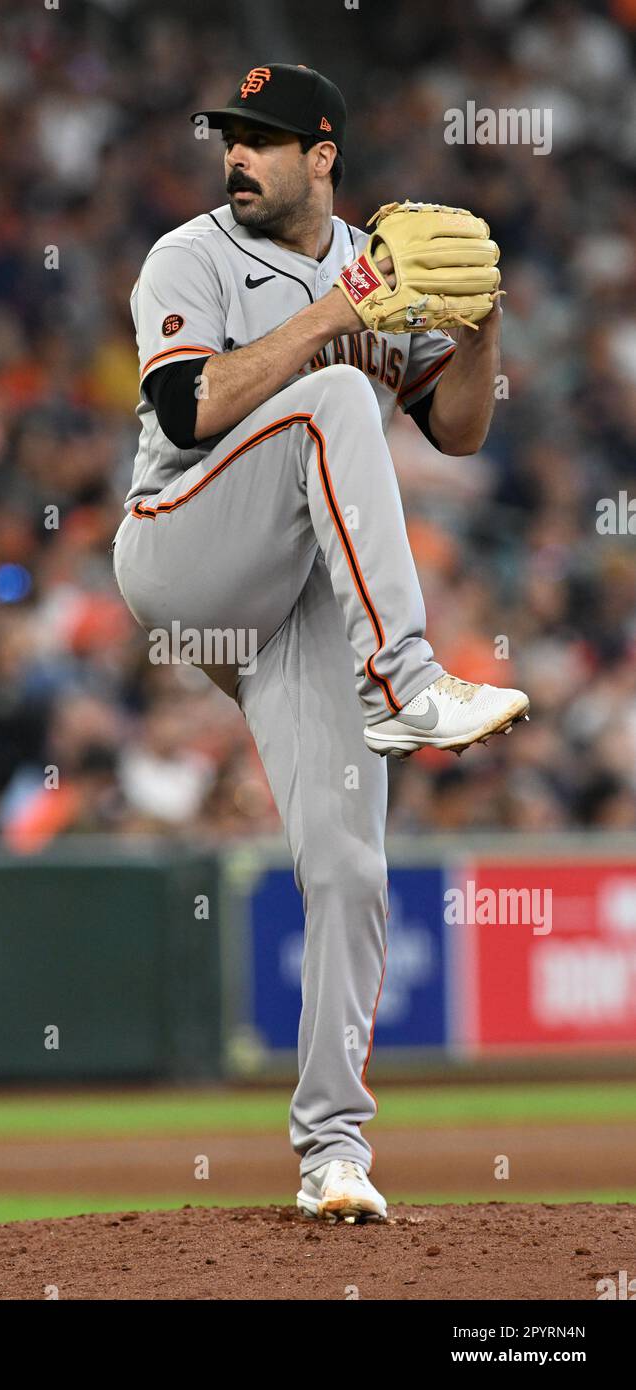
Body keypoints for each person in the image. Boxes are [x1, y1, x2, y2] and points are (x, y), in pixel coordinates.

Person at [111, 64, 529, 1223]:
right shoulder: (187, 256)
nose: (236, 156)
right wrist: (337, 315)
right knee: (334, 398)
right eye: (228, 137)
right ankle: (403, 678)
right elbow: (188, 412)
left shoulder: (383, 269)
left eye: (263, 138)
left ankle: (331, 1152)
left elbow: (454, 430)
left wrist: (479, 325)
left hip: (296, 599)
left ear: (322, 155)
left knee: (348, 869)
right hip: (182, 547)